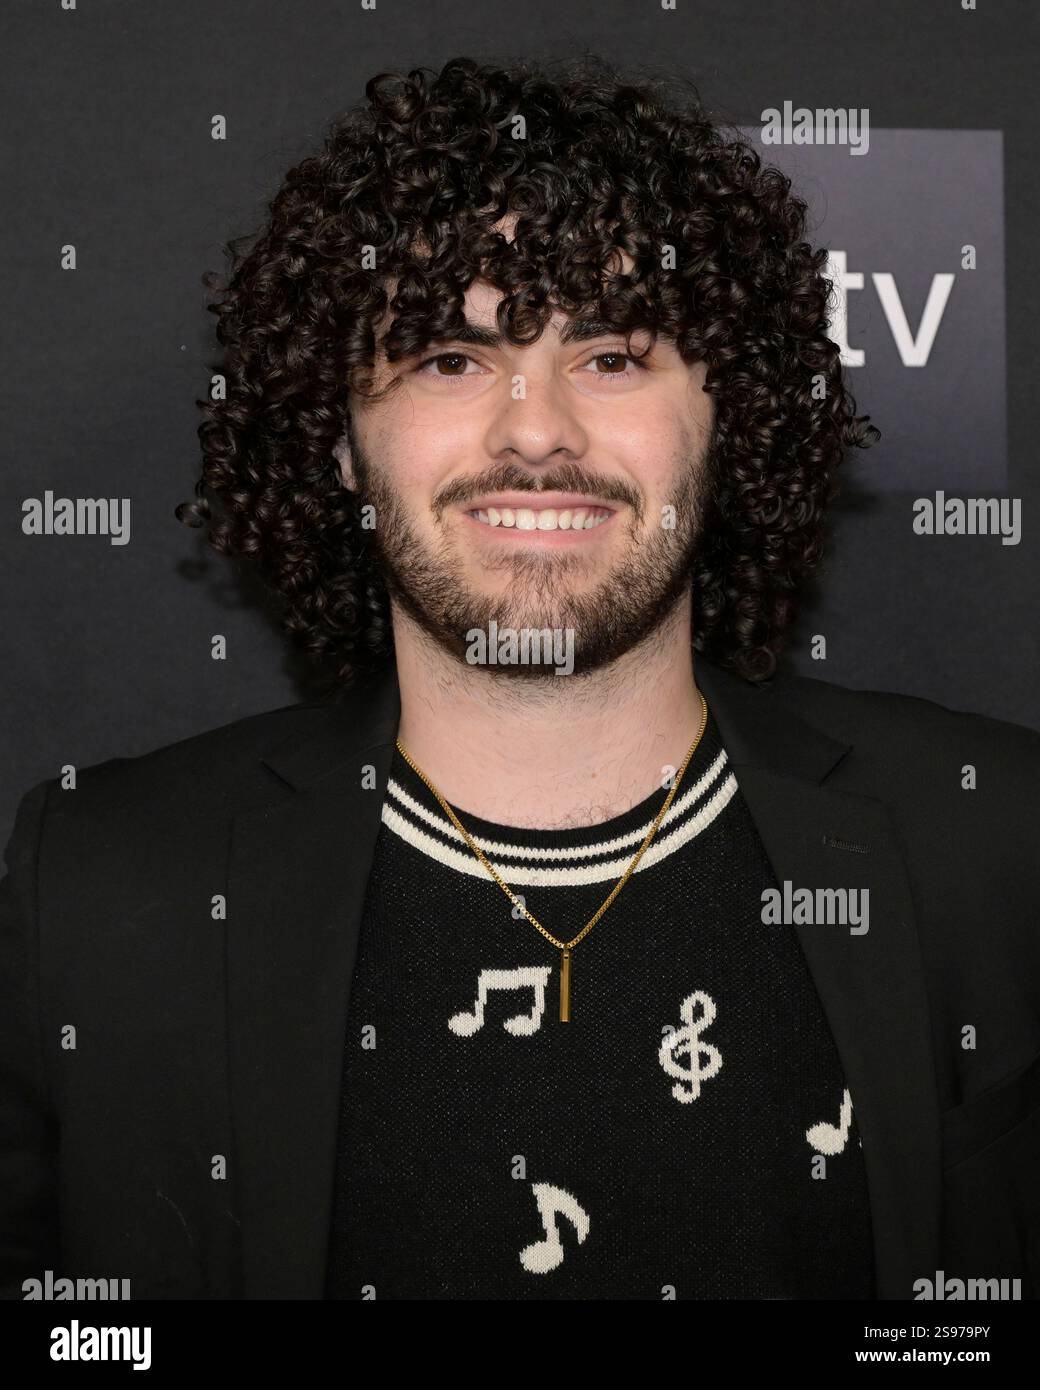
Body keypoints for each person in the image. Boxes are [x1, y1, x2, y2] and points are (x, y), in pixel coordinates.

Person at [2, 54, 1038, 1303]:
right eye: (448, 357)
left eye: (610, 356)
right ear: (338, 441)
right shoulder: (106, 887)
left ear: (727, 421)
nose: (533, 427)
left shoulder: (993, 842)